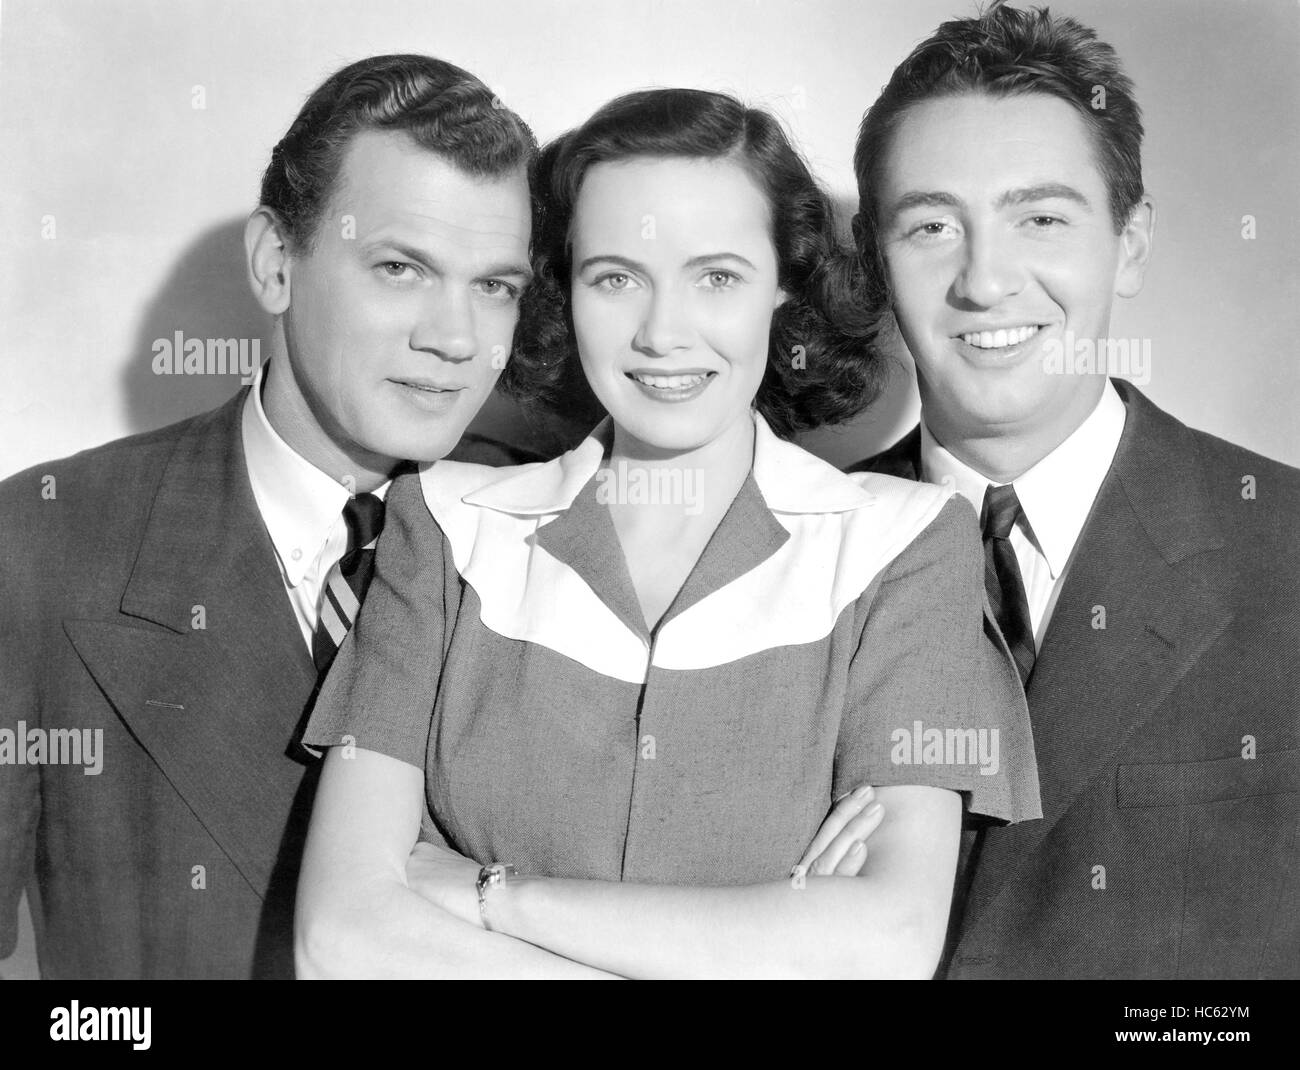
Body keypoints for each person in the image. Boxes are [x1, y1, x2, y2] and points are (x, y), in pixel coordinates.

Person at [295, 87, 1041, 979]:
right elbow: (340, 940)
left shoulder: (905, 545)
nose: (662, 333)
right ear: (562, 292)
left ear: (784, 290)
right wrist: (764, 943)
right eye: (615, 278)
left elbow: (885, 944)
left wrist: (495, 896)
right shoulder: (446, 527)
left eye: (717, 277)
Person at [0, 53, 540, 978]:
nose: (455, 338)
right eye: (402, 268)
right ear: (275, 263)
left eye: (495, 286)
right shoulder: (43, 544)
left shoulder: (557, 535)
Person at [846, 3, 1300, 978]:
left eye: (1040, 219)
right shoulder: (790, 547)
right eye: (930, 226)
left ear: (1128, 243)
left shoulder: (1286, 548)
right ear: (878, 261)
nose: (984, 279)